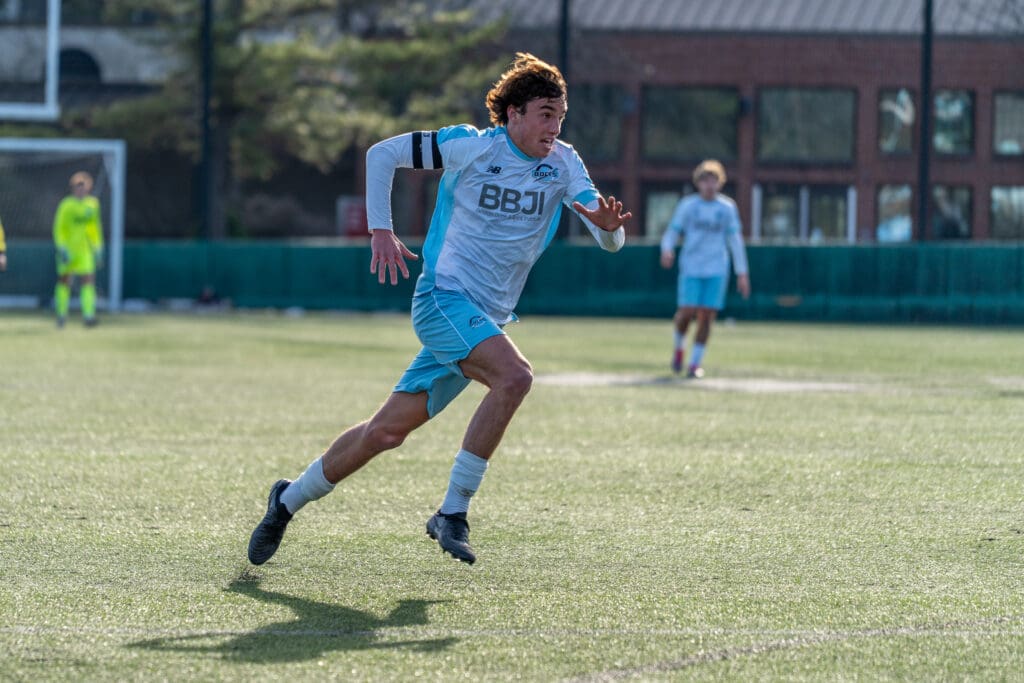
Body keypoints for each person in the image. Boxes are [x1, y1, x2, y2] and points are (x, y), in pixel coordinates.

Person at [247, 53, 631, 566]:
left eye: (561, 116)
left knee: (385, 432)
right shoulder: (471, 146)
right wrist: (380, 229)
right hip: (442, 299)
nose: (555, 127)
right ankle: (453, 511)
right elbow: (382, 154)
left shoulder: (564, 163)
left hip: (482, 321)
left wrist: (610, 231)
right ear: (513, 113)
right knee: (515, 377)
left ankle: (286, 500)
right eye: (545, 114)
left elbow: (607, 234)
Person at [659, 160, 750, 378]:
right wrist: (667, 249)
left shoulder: (727, 208)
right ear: (698, 183)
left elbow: (735, 240)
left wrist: (742, 273)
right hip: (691, 266)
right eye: (705, 180)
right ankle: (679, 348)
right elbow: (673, 231)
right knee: (687, 312)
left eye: (713, 180)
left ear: (720, 183)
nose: (709, 185)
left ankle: (694, 364)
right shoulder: (688, 206)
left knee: (707, 316)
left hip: (717, 267)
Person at [53, 171, 104, 327]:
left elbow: (94, 228)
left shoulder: (92, 204)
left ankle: (88, 315)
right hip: (68, 250)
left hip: (85, 251)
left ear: (88, 187)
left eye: (83, 186)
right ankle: (61, 315)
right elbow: (59, 228)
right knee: (65, 280)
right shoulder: (66, 205)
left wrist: (98, 248)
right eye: (78, 186)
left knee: (88, 280)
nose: (81, 189)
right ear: (73, 188)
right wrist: (61, 247)